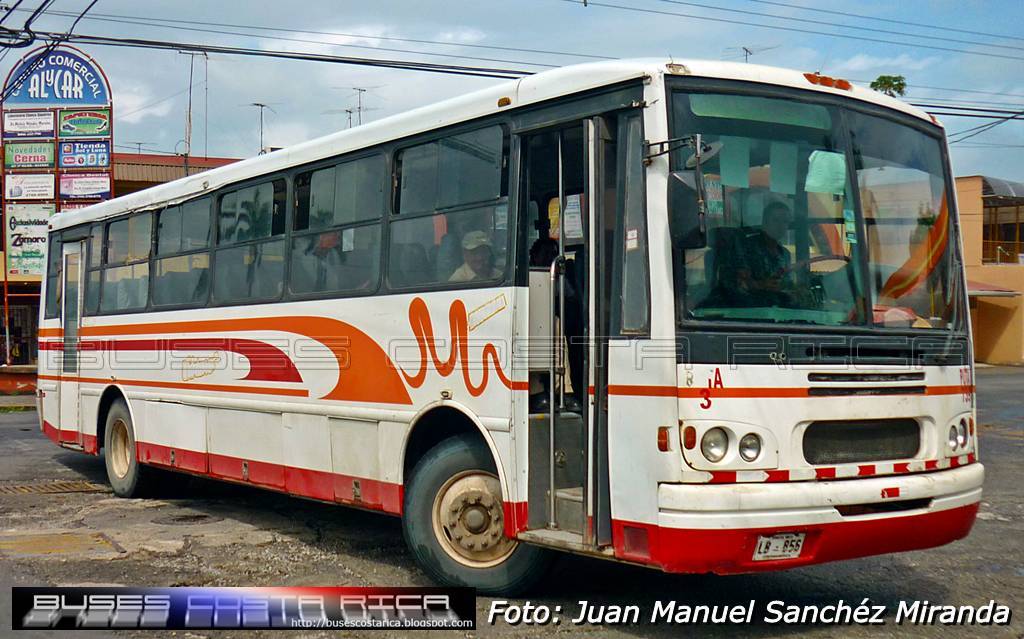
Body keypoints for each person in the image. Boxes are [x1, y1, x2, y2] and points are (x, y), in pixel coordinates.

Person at [739, 202, 794, 305]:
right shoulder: (746, 247)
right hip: (752, 309)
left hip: (781, 308)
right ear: (764, 222)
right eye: (776, 220)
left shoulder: (785, 254)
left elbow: (787, 283)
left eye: (785, 222)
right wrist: (761, 285)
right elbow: (739, 283)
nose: (781, 226)